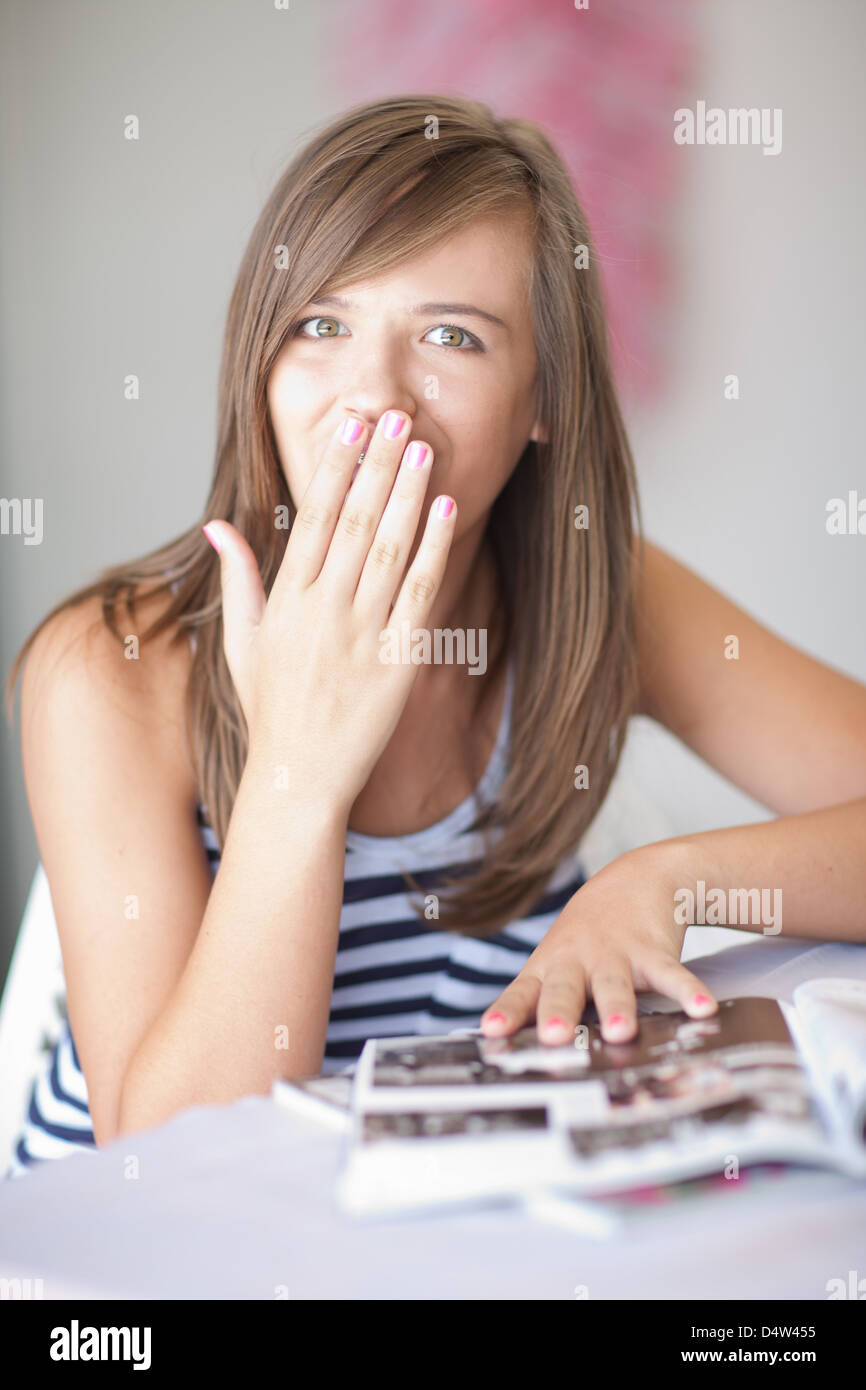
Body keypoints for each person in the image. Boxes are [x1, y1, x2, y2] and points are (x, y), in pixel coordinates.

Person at [5, 94, 866, 1177]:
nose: (372, 399)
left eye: (451, 336)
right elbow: (170, 1165)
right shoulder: (108, 671)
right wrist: (301, 771)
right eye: (322, 324)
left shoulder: (601, 598)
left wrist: (664, 881)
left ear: (541, 396)